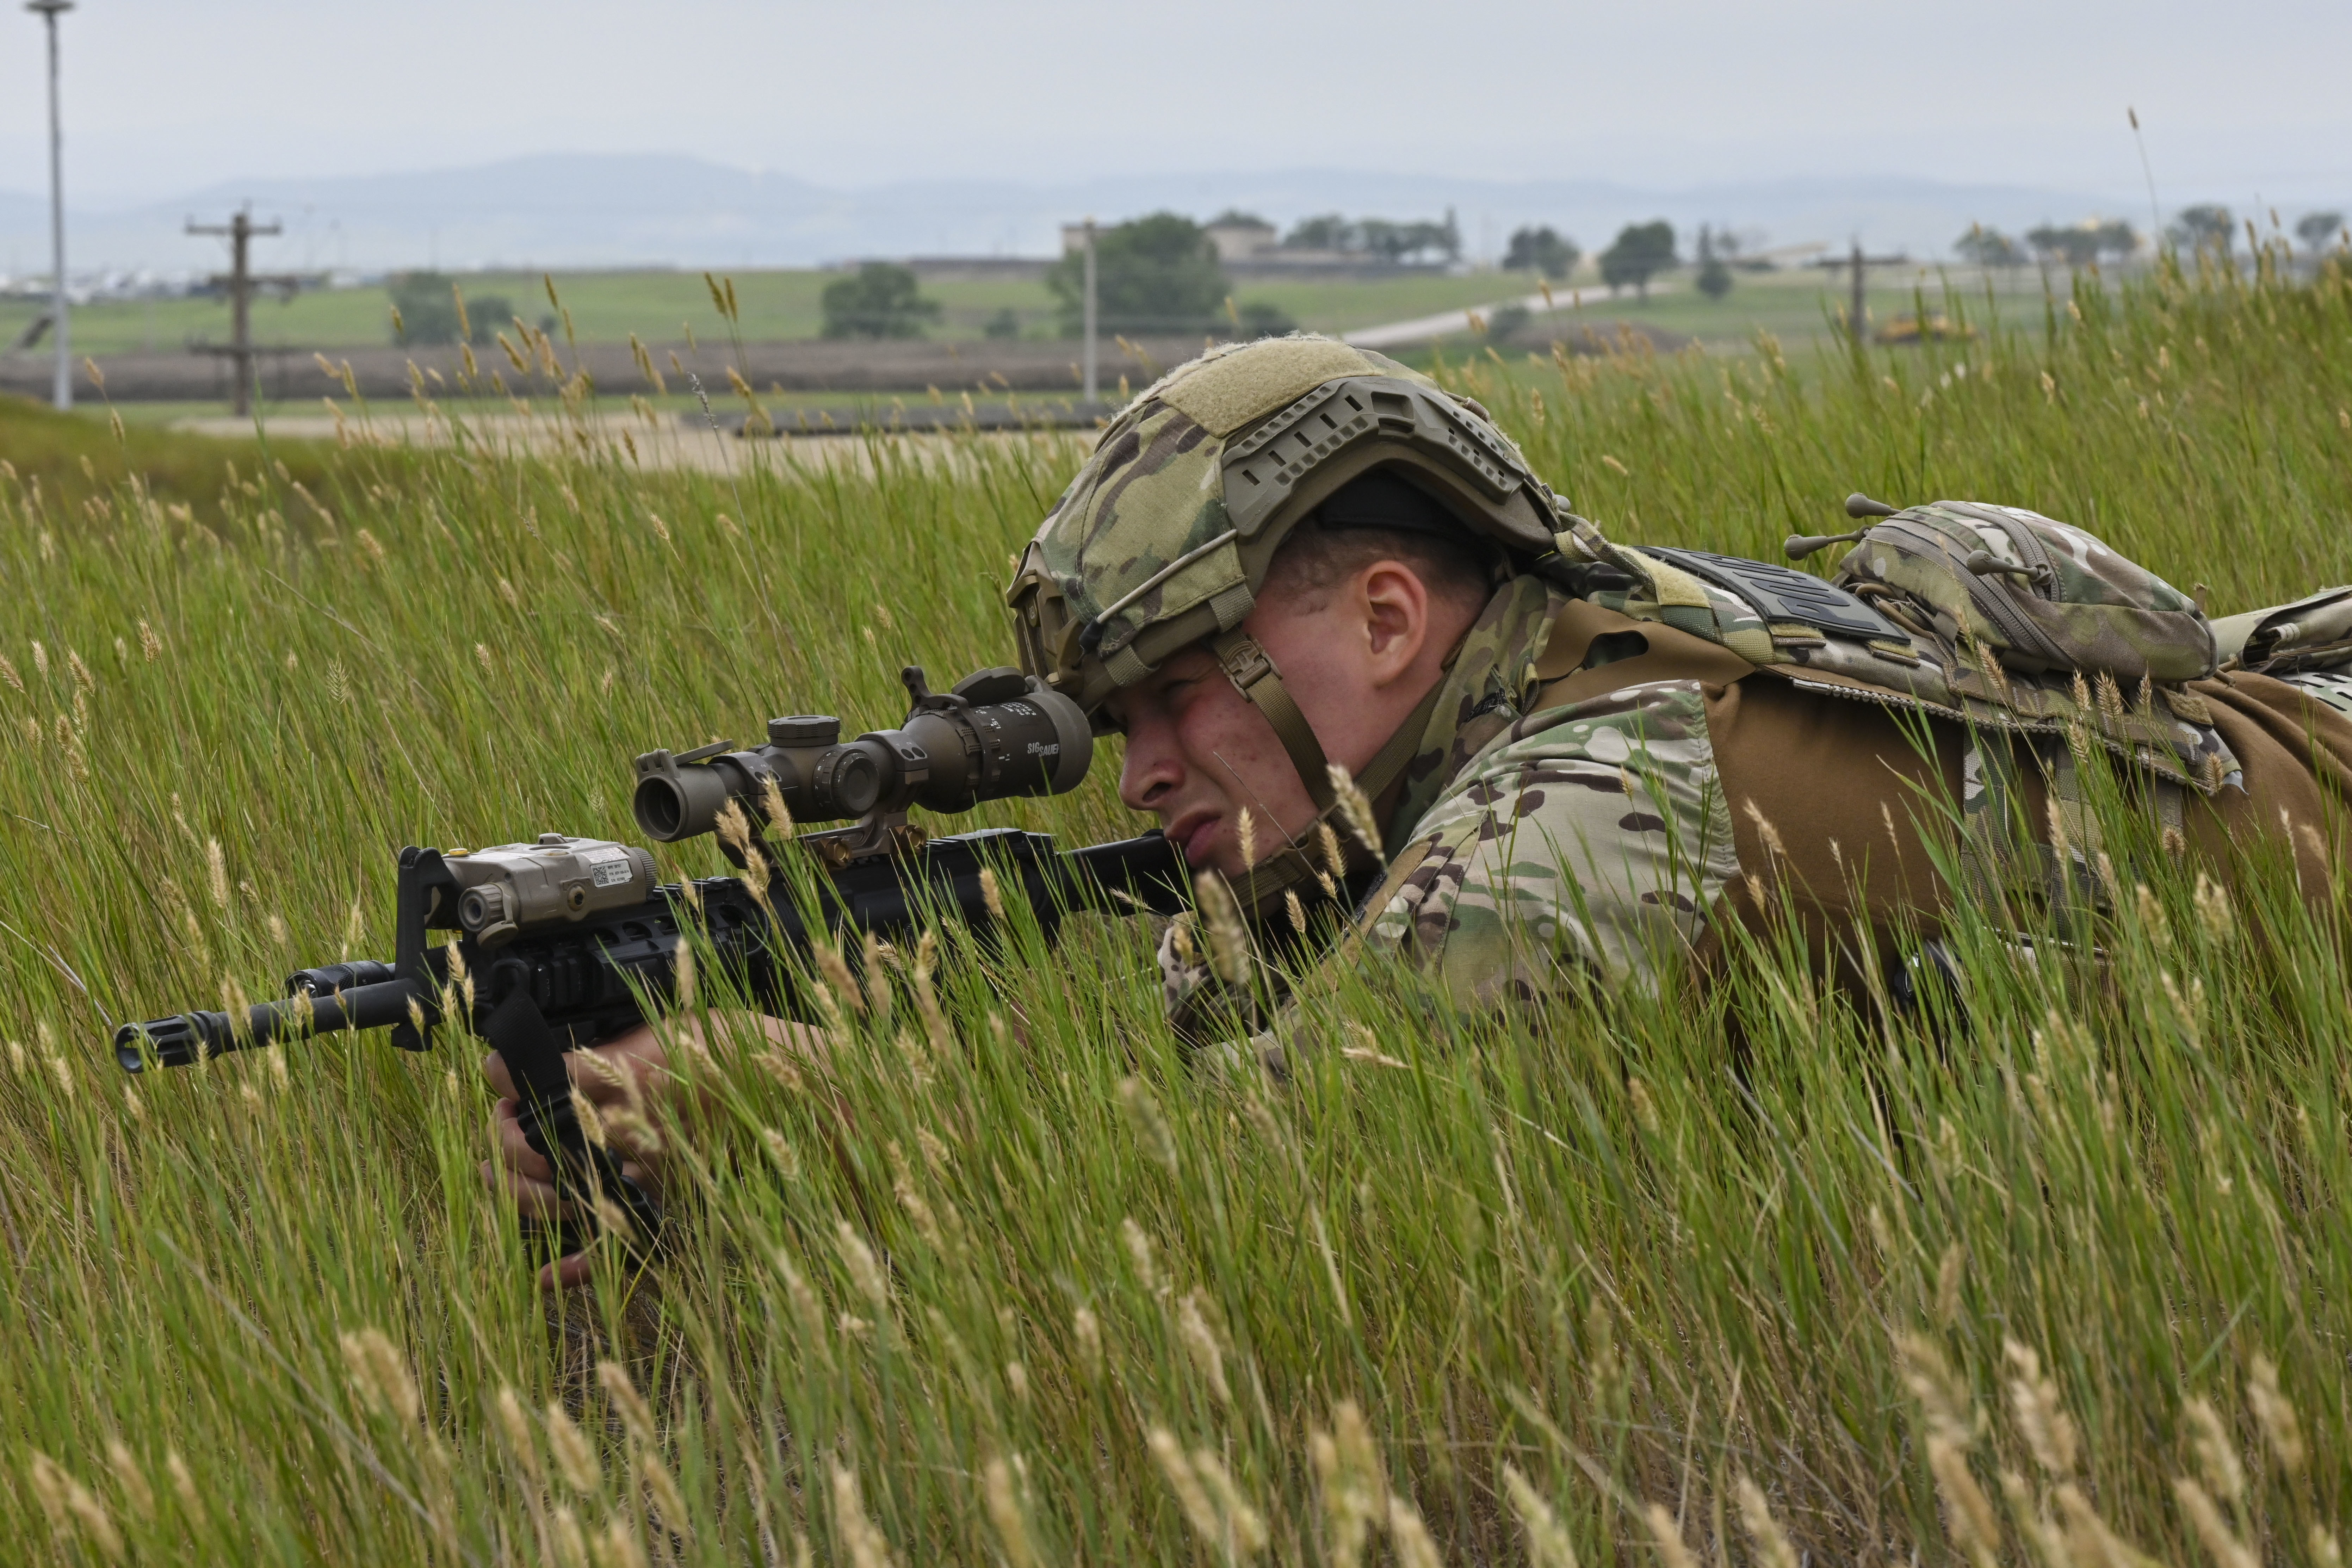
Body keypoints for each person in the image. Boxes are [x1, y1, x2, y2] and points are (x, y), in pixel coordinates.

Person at [487, 334, 2352, 1283]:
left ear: (1390, 618)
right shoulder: (1512, 698)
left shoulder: (1579, 807)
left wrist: (813, 1114)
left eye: (1170, 701)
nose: (1134, 771)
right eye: (1104, 720)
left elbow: (1250, 1212)